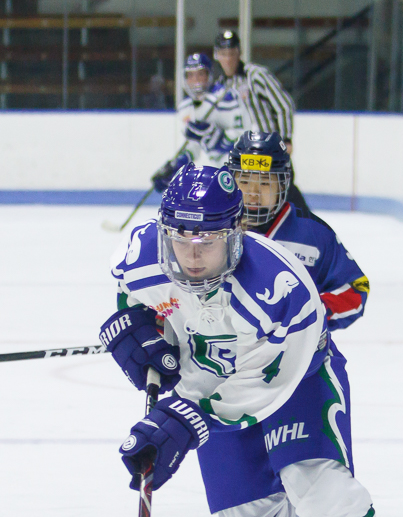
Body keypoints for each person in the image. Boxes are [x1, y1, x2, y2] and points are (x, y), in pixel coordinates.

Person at [100, 164, 403, 517]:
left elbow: (262, 384)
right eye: (182, 239)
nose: (192, 254)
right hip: (209, 387)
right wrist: (136, 330)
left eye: (207, 241)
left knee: (321, 490)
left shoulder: (280, 288)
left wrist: (182, 418)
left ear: (235, 234)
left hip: (296, 381)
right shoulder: (142, 251)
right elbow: (136, 301)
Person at [226, 131, 369, 331]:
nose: (253, 193)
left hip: (296, 359)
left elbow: (354, 289)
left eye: (265, 183)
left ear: (283, 185)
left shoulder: (313, 234)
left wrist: (310, 316)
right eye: (245, 181)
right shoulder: (214, 231)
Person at [212, 29, 311, 212]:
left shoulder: (255, 75)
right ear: (217, 55)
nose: (228, 59)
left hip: (269, 152)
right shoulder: (221, 86)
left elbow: (284, 104)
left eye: (232, 53)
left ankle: (307, 227)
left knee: (284, 192)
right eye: (224, 54)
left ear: (239, 53)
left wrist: (286, 138)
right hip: (244, 159)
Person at [150, 53, 252, 194]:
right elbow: (194, 146)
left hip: (243, 170)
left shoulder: (227, 97)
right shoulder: (185, 107)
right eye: (191, 76)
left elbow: (243, 136)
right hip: (219, 172)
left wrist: (215, 135)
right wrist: (176, 166)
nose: (196, 80)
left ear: (209, 75)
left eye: (200, 74)